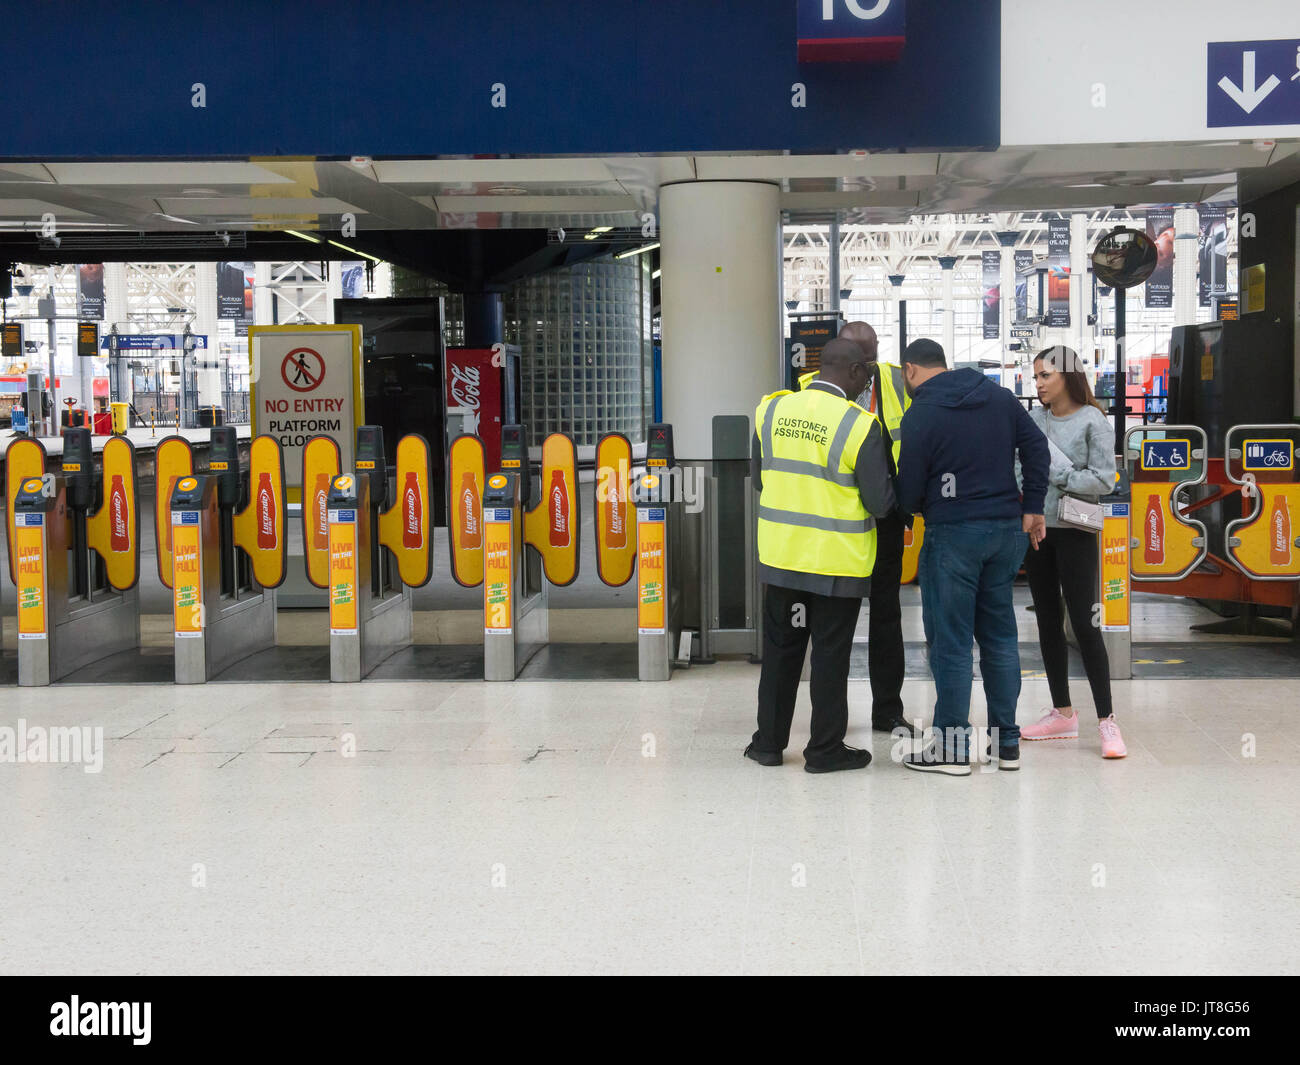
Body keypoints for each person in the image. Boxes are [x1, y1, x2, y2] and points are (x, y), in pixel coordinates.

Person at [895, 339, 1050, 775]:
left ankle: (953, 747)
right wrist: (1033, 506)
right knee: (1000, 637)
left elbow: (908, 486)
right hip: (1004, 532)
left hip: (952, 535)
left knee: (952, 643)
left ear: (910, 370)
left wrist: (921, 508)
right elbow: (1037, 449)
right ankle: (1006, 744)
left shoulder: (921, 412)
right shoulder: (999, 398)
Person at [746, 337, 897, 773]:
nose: (866, 383)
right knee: (831, 655)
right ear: (852, 372)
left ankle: (768, 744)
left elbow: (760, 479)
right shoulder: (858, 425)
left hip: (782, 558)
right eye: (866, 375)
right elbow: (879, 503)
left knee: (780, 651)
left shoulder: (771, 411)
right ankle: (824, 749)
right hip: (834, 566)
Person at [1019, 347, 1126, 758]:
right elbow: (1020, 465)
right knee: (1047, 620)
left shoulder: (1092, 421)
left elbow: (1102, 480)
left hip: (1077, 530)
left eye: (1046, 375)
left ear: (1066, 374)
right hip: (1039, 531)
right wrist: (1028, 504)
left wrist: (1059, 475)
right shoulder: (1033, 420)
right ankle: (1062, 712)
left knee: (1083, 623)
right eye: (1036, 378)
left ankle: (1107, 721)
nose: (1040, 384)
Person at [838, 320, 919, 739]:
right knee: (837, 618)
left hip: (885, 519)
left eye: (869, 358)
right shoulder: (811, 386)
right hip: (838, 521)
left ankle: (888, 711)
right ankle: (832, 718)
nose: (864, 367)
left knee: (886, 618)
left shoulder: (895, 381)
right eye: (857, 359)